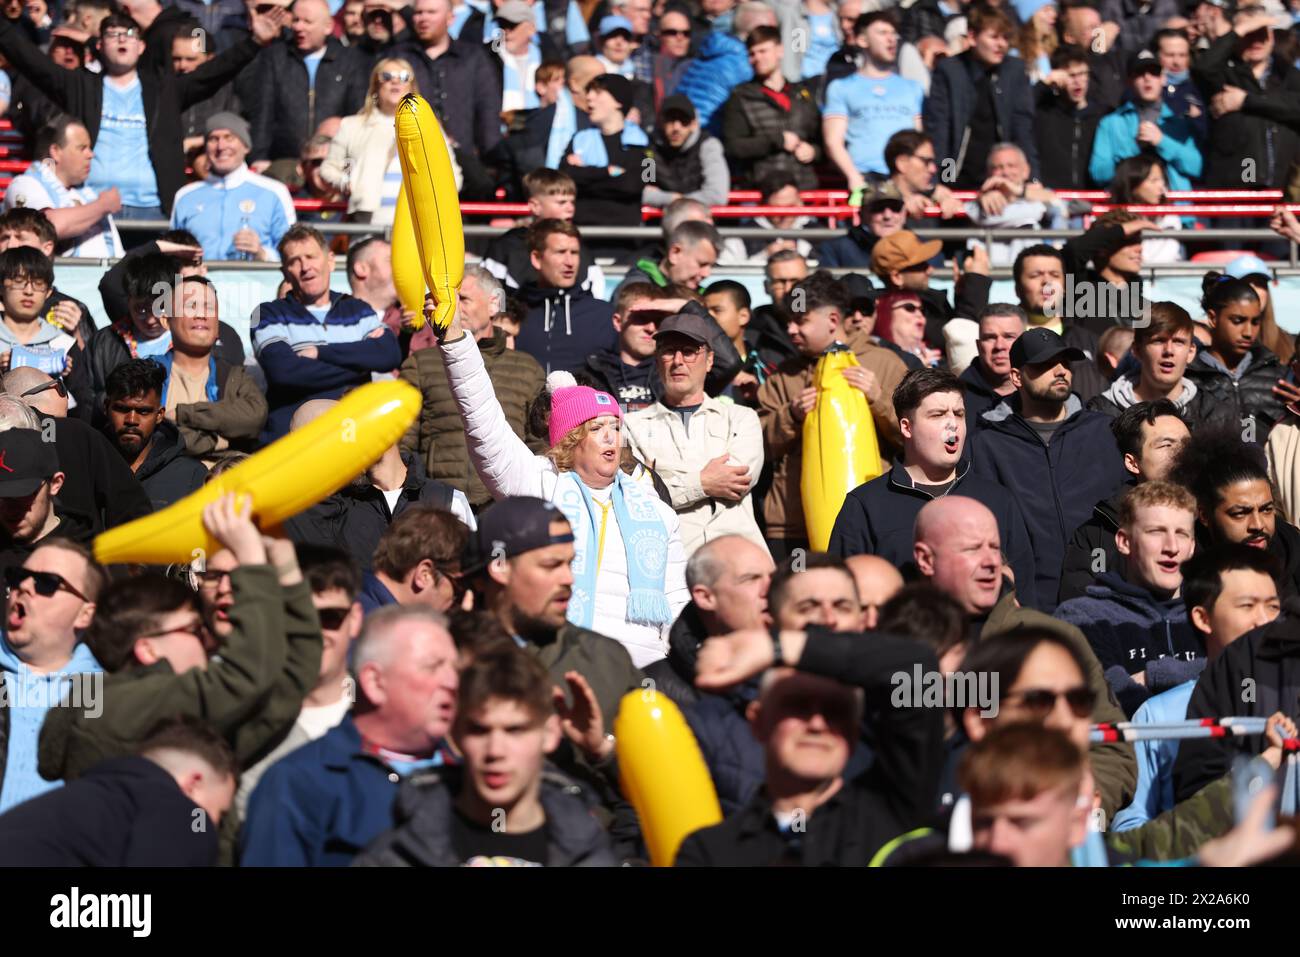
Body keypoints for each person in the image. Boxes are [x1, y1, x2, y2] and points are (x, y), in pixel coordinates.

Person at [434, 296, 689, 669]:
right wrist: (456, 341)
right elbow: (483, 423)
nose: (611, 438)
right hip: (555, 660)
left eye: (616, 427)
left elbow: (677, 598)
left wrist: (679, 665)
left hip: (642, 669)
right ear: (570, 439)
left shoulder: (654, 507)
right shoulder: (539, 484)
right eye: (597, 428)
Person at [39, 495, 322, 789]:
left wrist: (286, 563)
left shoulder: (185, 720)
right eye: (194, 629)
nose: (205, 638)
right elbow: (247, 676)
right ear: (147, 649)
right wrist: (251, 559)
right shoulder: (121, 708)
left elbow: (294, 677)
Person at [675, 614, 943, 865]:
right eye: (797, 705)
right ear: (758, 721)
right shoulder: (710, 851)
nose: (817, 724)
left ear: (853, 731)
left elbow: (916, 669)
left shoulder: (893, 808)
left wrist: (776, 646)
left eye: (835, 711)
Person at [0, 6, 286, 218]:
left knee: (153, 293)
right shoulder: (80, 85)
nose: (122, 40)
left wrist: (254, 42)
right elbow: (30, 60)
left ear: (141, 46)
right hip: (92, 206)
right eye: (112, 35)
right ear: (99, 45)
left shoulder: (164, 90)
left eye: (129, 34)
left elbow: (213, 72)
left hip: (153, 208)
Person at [355, 642, 618, 866]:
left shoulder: (590, 851)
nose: (495, 751)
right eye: (479, 731)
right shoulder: (399, 852)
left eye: (515, 730)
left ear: (549, 734)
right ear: (456, 734)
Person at [239, 605, 458, 866]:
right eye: (432, 667)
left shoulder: (471, 777)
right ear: (375, 682)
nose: (451, 681)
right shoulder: (299, 782)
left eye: (454, 668)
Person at [829, 367, 1038, 606]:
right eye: (938, 415)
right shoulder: (865, 505)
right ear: (907, 427)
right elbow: (840, 594)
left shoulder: (997, 499)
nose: (952, 426)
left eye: (958, 414)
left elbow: (1025, 594)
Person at [1113, 544, 1280, 830]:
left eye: (1273, 606)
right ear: (1203, 618)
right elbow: (1129, 827)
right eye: (1247, 606)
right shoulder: (1157, 716)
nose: (1264, 621)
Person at [968, 327, 1128, 608]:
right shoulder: (986, 444)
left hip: (1108, 593)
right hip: (1030, 601)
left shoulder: (1105, 431)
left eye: (1065, 363)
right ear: (1017, 377)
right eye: (1045, 365)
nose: (1060, 371)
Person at [758, 273, 907, 561]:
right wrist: (789, 415)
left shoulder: (884, 363)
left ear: (832, 319)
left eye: (800, 321)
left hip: (872, 520)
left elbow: (915, 437)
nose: (790, 329)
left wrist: (879, 399)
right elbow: (757, 444)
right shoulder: (782, 376)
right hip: (792, 528)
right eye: (787, 321)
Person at [233, 545, 362, 820]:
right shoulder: (242, 717)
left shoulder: (380, 709)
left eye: (329, 618)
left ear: (355, 619)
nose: (314, 633)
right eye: (298, 617)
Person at [400, 266, 545, 510]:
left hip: (506, 508)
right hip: (440, 505)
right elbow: (403, 442)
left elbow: (539, 444)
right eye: (447, 300)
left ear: (493, 304)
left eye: (462, 299)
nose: (454, 307)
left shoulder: (528, 368)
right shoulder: (421, 363)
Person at [0, 718, 237, 866]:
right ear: (193, 783)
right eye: (220, 813)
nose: (215, 824)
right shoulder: (189, 814)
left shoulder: (90, 798)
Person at [623, 312, 766, 554]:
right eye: (668, 351)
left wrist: (665, 481)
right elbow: (635, 497)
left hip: (740, 557)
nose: (678, 361)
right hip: (672, 560)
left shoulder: (742, 418)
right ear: (657, 360)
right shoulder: (631, 425)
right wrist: (702, 482)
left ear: (710, 360)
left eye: (689, 352)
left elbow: (739, 480)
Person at [1055, 481, 1201, 716]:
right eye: (1156, 532)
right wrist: (1201, 676)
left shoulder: (1210, 612)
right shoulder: (1082, 616)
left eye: (1182, 534)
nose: (1172, 546)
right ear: (1124, 542)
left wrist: (1153, 676)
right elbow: (1110, 704)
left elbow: (1239, 678)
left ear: (1192, 546)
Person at [251, 224, 401, 441]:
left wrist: (320, 353)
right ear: (284, 271)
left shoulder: (358, 309)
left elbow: (389, 354)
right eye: (294, 261)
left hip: (354, 437)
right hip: (292, 443)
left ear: (330, 261)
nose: (305, 267)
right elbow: (283, 373)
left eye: (311, 256)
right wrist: (360, 365)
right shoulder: (265, 313)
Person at [0, 540, 102, 813]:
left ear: (85, 613)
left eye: (47, 583)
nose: (24, 587)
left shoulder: (101, 692)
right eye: (19, 577)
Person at [1058, 399, 1191, 604]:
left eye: (1186, 444)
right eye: (1166, 445)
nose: (1181, 454)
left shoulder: (1211, 519)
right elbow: (1082, 609)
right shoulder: (1097, 535)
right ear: (1133, 462)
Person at [2, 371, 153, 534]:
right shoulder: (77, 433)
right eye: (59, 387)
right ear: (18, 399)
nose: (66, 396)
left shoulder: (78, 435)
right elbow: (132, 507)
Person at [247, 0, 368, 184]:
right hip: (283, 164)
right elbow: (262, 112)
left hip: (333, 163)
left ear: (328, 27)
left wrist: (353, 164)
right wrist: (258, 158)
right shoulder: (275, 58)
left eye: (307, 22)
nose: (298, 27)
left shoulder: (350, 61)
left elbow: (357, 116)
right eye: (295, 20)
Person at [389, 0, 503, 196]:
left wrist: (488, 162)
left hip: (465, 165)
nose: (423, 18)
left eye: (431, 12)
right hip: (411, 162)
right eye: (418, 13)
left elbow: (488, 111)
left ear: (451, 18)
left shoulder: (473, 57)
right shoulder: (398, 56)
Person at [1171, 428, 1300, 598]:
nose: (1258, 525)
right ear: (1204, 516)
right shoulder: (1179, 569)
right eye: (1240, 513)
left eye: (1266, 510)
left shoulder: (1292, 549)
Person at [320, 59, 450, 225]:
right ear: (375, 86)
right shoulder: (352, 125)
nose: (395, 81)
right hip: (369, 220)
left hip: (419, 222)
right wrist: (347, 183)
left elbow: (452, 173)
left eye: (404, 76)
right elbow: (328, 168)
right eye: (386, 76)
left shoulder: (430, 127)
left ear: (412, 86)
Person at [923, 4, 1037, 188]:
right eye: (994, 37)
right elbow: (942, 131)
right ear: (972, 37)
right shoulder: (950, 71)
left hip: (1002, 177)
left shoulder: (1014, 70)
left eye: (1005, 38)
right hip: (960, 176)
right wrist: (945, 180)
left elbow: (1023, 128)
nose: (1001, 44)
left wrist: (1032, 178)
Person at [653, 533, 774, 704]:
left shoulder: (806, 665)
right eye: (751, 579)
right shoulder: (655, 691)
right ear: (705, 597)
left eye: (773, 578)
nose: (770, 590)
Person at [160, 275, 267, 465]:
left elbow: (254, 417)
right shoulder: (150, 374)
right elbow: (153, 436)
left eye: (209, 307)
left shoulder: (234, 377)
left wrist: (183, 414)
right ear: (166, 320)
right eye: (191, 306)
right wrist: (219, 438)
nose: (201, 314)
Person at [1191, 7, 1300, 189]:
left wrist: (1246, 101)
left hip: (1283, 183)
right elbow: (1202, 68)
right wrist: (1237, 30)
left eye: (1261, 34)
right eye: (1249, 34)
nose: (1255, 41)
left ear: (1271, 38)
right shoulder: (1224, 74)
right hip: (1238, 184)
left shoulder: (1287, 73)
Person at [170, 112, 297, 263]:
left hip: (256, 284)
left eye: (229, 137)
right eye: (213, 139)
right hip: (200, 284)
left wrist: (262, 254)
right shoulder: (185, 196)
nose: (221, 146)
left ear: (246, 146)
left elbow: (292, 251)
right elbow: (172, 254)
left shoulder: (274, 192)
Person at [822, 11, 923, 189]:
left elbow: (919, 139)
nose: (891, 39)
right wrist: (853, 176)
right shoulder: (841, 87)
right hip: (865, 179)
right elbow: (833, 141)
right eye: (883, 33)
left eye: (893, 33)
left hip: (904, 181)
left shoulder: (912, 87)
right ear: (862, 40)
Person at [1184, 273, 1287, 444]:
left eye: (1255, 322)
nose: (1248, 332)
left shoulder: (1280, 377)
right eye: (1238, 320)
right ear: (1212, 318)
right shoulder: (1186, 378)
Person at [2, 114, 122, 258]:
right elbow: (47, 226)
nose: (90, 154)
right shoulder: (24, 184)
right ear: (56, 151)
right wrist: (102, 206)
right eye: (82, 148)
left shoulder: (87, 193)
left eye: (90, 148)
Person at [721, 24, 822, 191]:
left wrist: (814, 152)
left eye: (763, 51)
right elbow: (733, 147)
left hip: (803, 189)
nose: (757, 58)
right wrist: (777, 141)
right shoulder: (740, 96)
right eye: (752, 54)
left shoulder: (802, 94)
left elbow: (821, 140)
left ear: (780, 51)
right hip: (761, 190)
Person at [1088, 49, 1202, 191]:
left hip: (1174, 207)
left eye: (1154, 73)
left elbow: (1196, 167)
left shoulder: (1179, 122)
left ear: (1163, 79)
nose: (1147, 78)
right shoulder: (1111, 123)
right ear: (1129, 81)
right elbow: (1098, 174)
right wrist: (1131, 153)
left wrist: (1162, 141)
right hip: (1129, 207)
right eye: (1140, 73)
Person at [513, 219, 616, 376]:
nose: (570, 262)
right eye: (560, 252)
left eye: (574, 253)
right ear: (537, 258)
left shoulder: (604, 314)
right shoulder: (513, 311)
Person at [102, 359, 208, 510]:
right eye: (122, 409)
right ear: (106, 408)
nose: (131, 420)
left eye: (143, 411)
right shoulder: (85, 467)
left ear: (159, 415)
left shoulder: (192, 475)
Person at [481, 169, 604, 297]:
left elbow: (595, 298)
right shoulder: (506, 248)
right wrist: (505, 316)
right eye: (562, 202)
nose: (570, 209)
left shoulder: (579, 250)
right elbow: (489, 297)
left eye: (572, 202)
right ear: (535, 206)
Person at [1010, 243, 1108, 400]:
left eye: (1055, 275)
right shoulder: (1002, 341)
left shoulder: (1092, 341)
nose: (1047, 282)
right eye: (1035, 275)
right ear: (1017, 288)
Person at [1087, 302, 1205, 424]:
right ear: (1137, 350)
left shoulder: (1214, 414)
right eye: (1158, 341)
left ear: (1191, 352)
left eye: (1178, 342)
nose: (1169, 350)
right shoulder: (1100, 414)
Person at [560, 73, 649, 228]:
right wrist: (607, 172)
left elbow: (639, 183)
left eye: (598, 92)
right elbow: (564, 179)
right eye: (588, 91)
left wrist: (584, 175)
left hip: (627, 237)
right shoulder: (578, 139)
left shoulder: (645, 143)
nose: (589, 97)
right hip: (583, 234)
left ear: (618, 101)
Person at [0, 247, 85, 401]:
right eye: (19, 282)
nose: (29, 291)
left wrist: (64, 381)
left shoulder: (64, 344)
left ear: (48, 292)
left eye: (38, 284)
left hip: (50, 425)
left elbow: (84, 402)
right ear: (1, 287)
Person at [0, 425, 93, 567]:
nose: (10, 509)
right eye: (2, 498)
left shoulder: (87, 556)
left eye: (23, 495)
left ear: (55, 484)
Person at [354, 503, 469, 613]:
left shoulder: (351, 594)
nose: (459, 603)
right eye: (457, 587)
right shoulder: (374, 628)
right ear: (425, 574)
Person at [964, 142, 1066, 267]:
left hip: (1032, 276)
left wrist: (1020, 191)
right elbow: (976, 214)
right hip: (991, 276)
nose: (1005, 172)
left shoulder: (1041, 196)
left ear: (1026, 170)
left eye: (1011, 166)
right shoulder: (979, 202)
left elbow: (1060, 207)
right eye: (998, 167)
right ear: (989, 174)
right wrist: (982, 196)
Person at [1034, 44, 1104, 190]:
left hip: (1091, 199)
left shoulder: (1101, 116)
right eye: (1071, 75)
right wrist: (1045, 84)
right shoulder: (1044, 112)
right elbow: (1018, 108)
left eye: (1083, 74)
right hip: (1052, 199)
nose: (1078, 81)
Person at [643, 94, 730, 209]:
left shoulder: (708, 145)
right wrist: (670, 199)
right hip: (660, 221)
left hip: (700, 220)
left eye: (684, 120)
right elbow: (643, 191)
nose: (676, 127)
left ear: (694, 124)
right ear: (661, 122)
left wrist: (676, 200)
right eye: (670, 119)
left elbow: (717, 195)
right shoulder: (650, 150)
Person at [961, 304, 1025, 423]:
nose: (999, 346)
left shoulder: (1042, 395)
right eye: (990, 338)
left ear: (1025, 343)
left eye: (1009, 337)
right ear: (979, 346)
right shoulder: (956, 397)